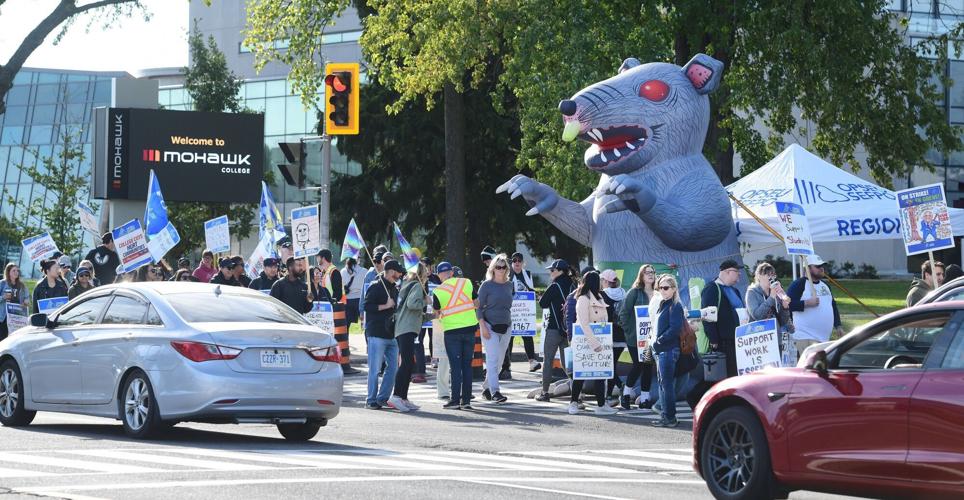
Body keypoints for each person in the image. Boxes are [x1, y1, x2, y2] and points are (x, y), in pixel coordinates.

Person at [567, 271, 616, 415]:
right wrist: (594, 342)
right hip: (585, 341)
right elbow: (583, 323)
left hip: (600, 340)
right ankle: (573, 402)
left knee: (600, 373)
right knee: (581, 374)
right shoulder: (583, 298)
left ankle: (601, 405)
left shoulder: (599, 297)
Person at [433, 261, 480, 410]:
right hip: (469, 329)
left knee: (455, 366)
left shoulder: (438, 291)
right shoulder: (466, 282)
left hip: (452, 332)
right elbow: (477, 303)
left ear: (439, 275)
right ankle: (466, 401)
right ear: (451, 272)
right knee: (467, 366)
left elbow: (437, 312)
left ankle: (454, 400)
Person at [363, 259, 404, 410]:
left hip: (391, 334)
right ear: (391, 271)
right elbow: (366, 306)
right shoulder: (376, 286)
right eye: (398, 272)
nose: (400, 274)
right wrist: (384, 306)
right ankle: (371, 399)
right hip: (377, 333)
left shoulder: (394, 288)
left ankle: (383, 398)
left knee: (393, 368)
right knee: (374, 369)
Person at [392, 261, 431, 412]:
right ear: (422, 273)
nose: (428, 274)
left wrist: (432, 316)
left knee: (408, 364)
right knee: (406, 363)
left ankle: (403, 397)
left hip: (403, 327)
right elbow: (412, 305)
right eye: (426, 272)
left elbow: (413, 312)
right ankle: (397, 396)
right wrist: (425, 301)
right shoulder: (416, 286)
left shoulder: (406, 284)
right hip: (407, 328)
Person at [787, 255, 843, 357]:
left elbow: (832, 306)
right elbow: (787, 305)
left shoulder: (825, 285)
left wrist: (838, 325)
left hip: (823, 339)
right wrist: (806, 303)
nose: (822, 268)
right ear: (808, 268)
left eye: (822, 266)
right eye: (817, 266)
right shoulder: (799, 284)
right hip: (805, 337)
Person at [618, 264, 657, 409]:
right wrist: (630, 332)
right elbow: (623, 314)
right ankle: (626, 393)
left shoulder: (658, 293)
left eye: (652, 272)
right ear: (641, 275)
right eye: (647, 272)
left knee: (647, 366)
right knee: (638, 365)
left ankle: (645, 398)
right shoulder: (634, 292)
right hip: (635, 339)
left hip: (651, 338)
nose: (650, 275)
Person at [536, 259, 575, 402]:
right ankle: (578, 393)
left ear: (560, 271)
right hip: (568, 330)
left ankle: (545, 393)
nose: (550, 272)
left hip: (553, 328)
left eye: (552, 270)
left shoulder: (554, 286)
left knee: (548, 360)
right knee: (567, 364)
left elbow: (543, 303)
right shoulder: (573, 285)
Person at [477, 253, 514, 404]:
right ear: (493, 268)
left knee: (499, 363)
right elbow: (478, 307)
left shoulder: (510, 285)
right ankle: (495, 392)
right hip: (489, 326)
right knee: (492, 361)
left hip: (506, 326)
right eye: (498, 266)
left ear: (506, 268)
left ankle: (486, 387)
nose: (501, 269)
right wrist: (482, 326)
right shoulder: (486, 285)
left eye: (503, 266)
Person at [701, 260, 746, 378]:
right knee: (723, 376)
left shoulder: (735, 290)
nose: (739, 275)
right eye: (736, 271)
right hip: (723, 342)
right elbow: (707, 316)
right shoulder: (712, 288)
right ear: (727, 271)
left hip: (739, 341)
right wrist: (713, 339)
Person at [651, 274, 685, 427]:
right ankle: (666, 416)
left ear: (673, 289)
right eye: (660, 287)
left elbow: (675, 328)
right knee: (662, 385)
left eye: (665, 288)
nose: (662, 291)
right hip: (661, 349)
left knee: (667, 385)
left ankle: (670, 417)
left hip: (669, 349)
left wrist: (660, 340)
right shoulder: (663, 304)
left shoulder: (675, 305)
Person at [503, 252, 540, 377]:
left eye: (519, 261)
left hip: (524, 311)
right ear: (511, 262)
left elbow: (531, 290)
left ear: (523, 262)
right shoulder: (507, 274)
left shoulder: (527, 274)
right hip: (512, 310)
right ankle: (507, 365)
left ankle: (532, 361)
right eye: (514, 261)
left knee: (527, 335)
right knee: (510, 337)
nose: (517, 263)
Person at [746, 262, 794, 356]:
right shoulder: (752, 293)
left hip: (777, 339)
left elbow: (783, 321)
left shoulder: (776, 292)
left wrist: (785, 307)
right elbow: (757, 315)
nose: (771, 278)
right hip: (761, 343)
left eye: (772, 275)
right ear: (759, 276)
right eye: (768, 275)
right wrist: (771, 297)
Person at [600, 269, 626, 404]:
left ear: (605, 281)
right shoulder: (623, 293)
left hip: (607, 334)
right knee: (612, 364)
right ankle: (609, 394)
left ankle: (620, 386)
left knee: (608, 366)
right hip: (622, 335)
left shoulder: (602, 295)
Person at [432, 262, 455, 399]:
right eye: (443, 273)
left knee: (447, 361)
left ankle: (445, 392)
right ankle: (443, 392)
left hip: (452, 326)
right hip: (445, 327)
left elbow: (436, 313)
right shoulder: (439, 291)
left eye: (447, 272)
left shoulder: (439, 291)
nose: (445, 275)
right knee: (445, 361)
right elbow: (436, 313)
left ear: (452, 273)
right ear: (439, 275)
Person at [0, 263, 29, 340]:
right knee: (2, 338)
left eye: (17, 270)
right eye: (14, 271)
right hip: (3, 316)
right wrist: (3, 297)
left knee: (13, 338)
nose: (16, 272)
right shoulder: (2, 283)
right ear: (8, 272)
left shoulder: (22, 285)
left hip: (17, 316)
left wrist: (26, 301)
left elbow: (27, 297)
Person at [341, 257, 364, 329]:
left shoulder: (342, 271)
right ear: (357, 259)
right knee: (364, 325)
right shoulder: (364, 271)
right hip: (360, 300)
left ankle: (345, 340)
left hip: (347, 301)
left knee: (346, 326)